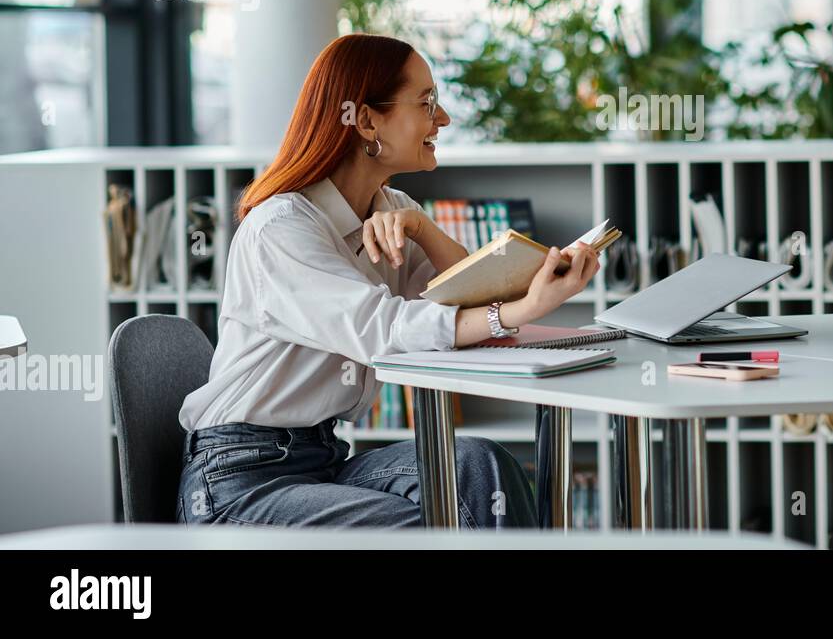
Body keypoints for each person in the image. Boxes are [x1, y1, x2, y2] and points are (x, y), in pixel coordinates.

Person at [177, 33, 600, 528]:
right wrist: (517, 313)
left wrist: (424, 227)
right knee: (419, 529)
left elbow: (464, 292)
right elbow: (383, 329)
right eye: (427, 104)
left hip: (324, 459)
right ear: (366, 120)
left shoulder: (394, 213)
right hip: (238, 480)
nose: (442, 119)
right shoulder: (280, 228)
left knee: (483, 469)